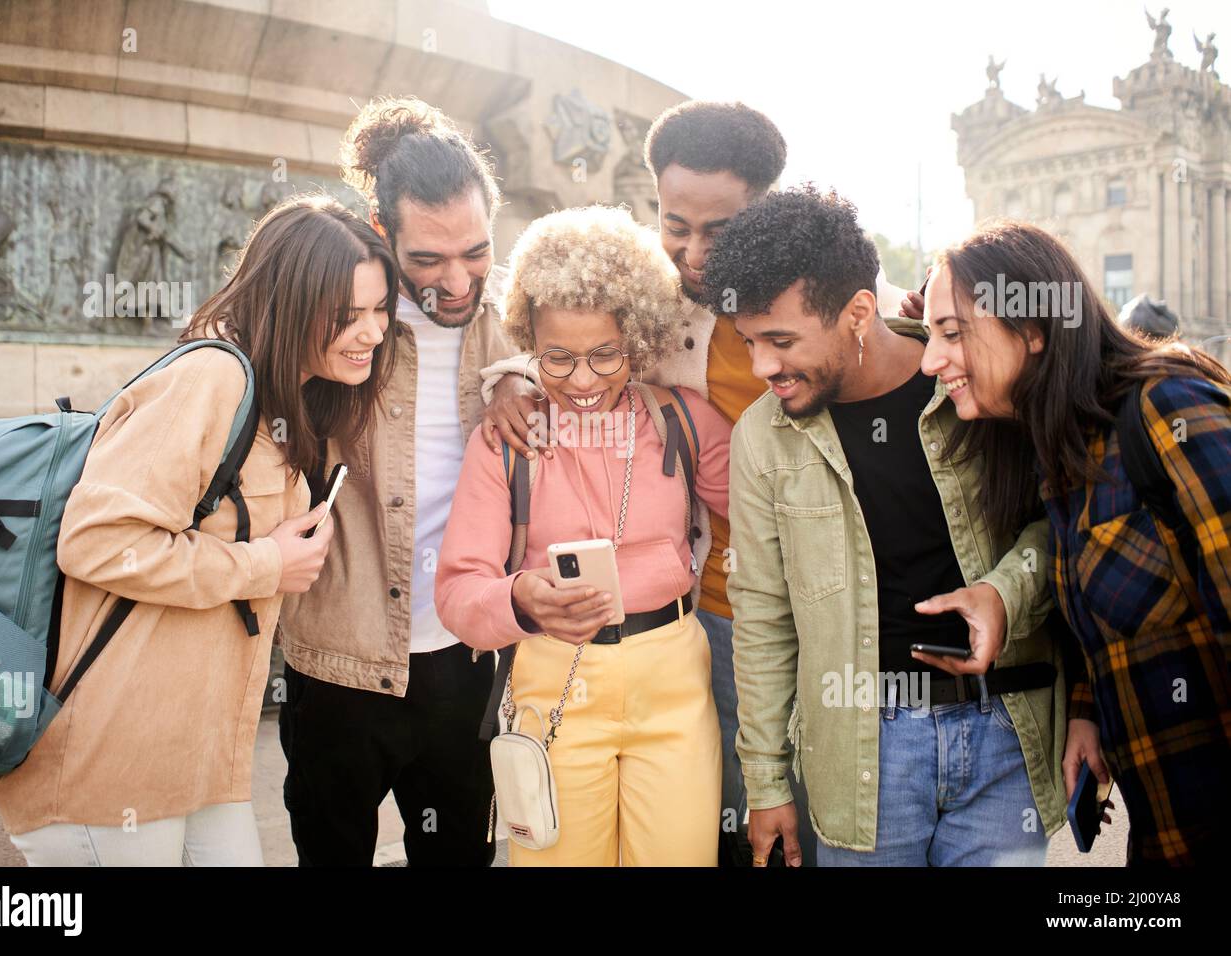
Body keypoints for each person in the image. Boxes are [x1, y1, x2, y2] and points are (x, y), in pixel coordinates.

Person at [481, 101, 911, 864]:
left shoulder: (822, 296)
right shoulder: (654, 302)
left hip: (834, 608)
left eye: (720, 229)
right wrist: (512, 381)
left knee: (832, 823)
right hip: (712, 611)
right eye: (676, 225)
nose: (695, 250)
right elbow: (573, 345)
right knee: (732, 823)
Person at [0, 194, 397, 865]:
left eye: (380, 309)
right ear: (290, 303)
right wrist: (265, 565)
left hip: (203, 761)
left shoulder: (283, 402)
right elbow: (94, 538)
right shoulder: (210, 377)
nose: (373, 331)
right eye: (346, 315)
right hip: (114, 765)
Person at [711, 187, 1068, 867]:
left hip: (1006, 738)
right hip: (860, 755)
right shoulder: (762, 436)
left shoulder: (975, 380)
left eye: (781, 340)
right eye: (750, 341)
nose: (762, 366)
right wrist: (764, 784)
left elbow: (1059, 526)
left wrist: (1004, 592)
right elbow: (762, 613)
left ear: (857, 313)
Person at [920, 219, 1231, 865]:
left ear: (1033, 329)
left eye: (952, 332)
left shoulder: (1164, 408)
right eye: (929, 335)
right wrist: (1087, 709)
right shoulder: (1064, 453)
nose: (931, 359)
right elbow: (1121, 599)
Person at [435, 205, 733, 866]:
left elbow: (772, 511)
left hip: (675, 681)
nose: (583, 381)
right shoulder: (505, 440)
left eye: (606, 355)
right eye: (557, 358)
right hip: (553, 682)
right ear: (529, 341)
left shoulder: (685, 421)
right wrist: (520, 599)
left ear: (639, 335)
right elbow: (458, 592)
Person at [276, 96, 523, 866]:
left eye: (475, 252)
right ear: (381, 232)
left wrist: (516, 372)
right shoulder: (335, 321)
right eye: (428, 261)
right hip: (338, 663)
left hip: (465, 660)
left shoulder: (517, 316)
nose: (457, 282)